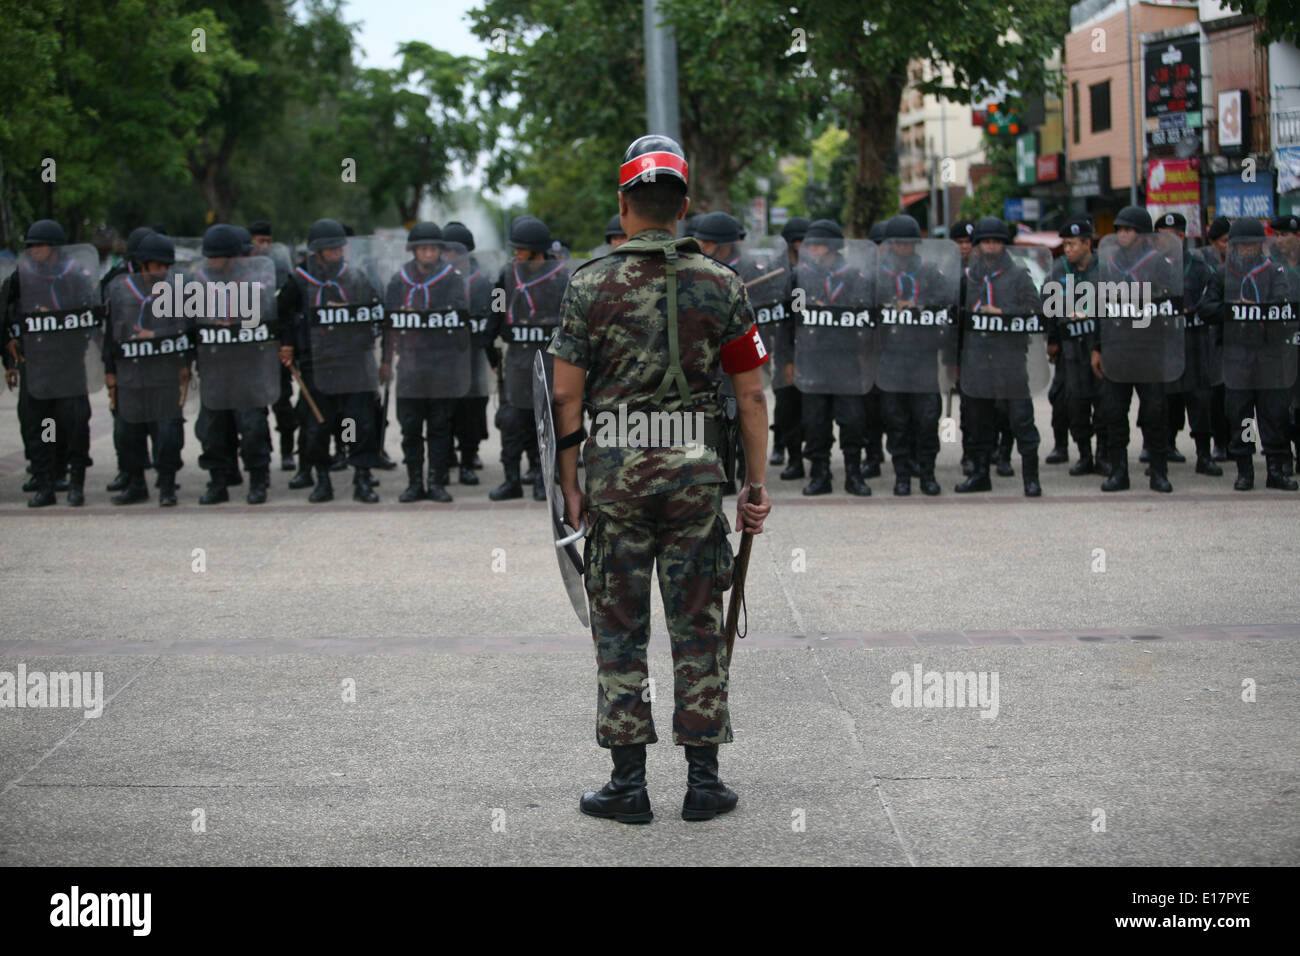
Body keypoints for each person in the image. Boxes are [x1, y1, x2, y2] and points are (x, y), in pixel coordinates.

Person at [549, 134, 771, 824]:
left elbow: (564, 398)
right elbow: (751, 396)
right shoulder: (722, 283)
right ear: (684, 206)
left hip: (614, 486)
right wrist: (755, 488)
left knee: (620, 631)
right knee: (700, 628)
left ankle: (628, 786)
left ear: (623, 204)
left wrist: (570, 483)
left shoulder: (588, 284)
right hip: (696, 484)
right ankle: (703, 784)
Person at [4, 220, 101, 507]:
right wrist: (9, 348)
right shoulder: (20, 278)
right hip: (36, 366)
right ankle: (44, 484)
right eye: (31, 246)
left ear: (55, 248)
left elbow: (91, 313)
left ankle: (76, 483)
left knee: (75, 423)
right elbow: (6, 315)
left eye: (40, 246)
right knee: (38, 426)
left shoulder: (75, 276)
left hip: (68, 363)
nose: (34, 251)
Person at [1199, 217, 1298, 491]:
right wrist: (1233, 309)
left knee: (1274, 414)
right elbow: (1206, 308)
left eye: (1252, 244)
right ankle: (1245, 471)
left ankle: (1276, 470)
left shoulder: (1275, 271)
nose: (1247, 250)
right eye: (1242, 245)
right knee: (1240, 414)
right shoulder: (1221, 274)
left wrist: (1260, 309)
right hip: (1236, 356)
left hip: (1269, 355)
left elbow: (1284, 306)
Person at [102, 232, 189, 506]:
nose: (163, 270)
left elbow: (186, 328)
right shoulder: (119, 289)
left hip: (164, 373)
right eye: (157, 265)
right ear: (143, 264)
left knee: (167, 434)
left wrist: (157, 335)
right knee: (129, 434)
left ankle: (166, 486)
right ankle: (136, 483)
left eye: (166, 266)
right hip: (130, 374)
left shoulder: (177, 290)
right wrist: (110, 370)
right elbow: (111, 335)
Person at [1157, 212, 1220, 477]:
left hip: (1194, 343)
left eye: (1173, 236)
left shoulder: (1199, 265)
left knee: (1199, 401)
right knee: (1162, 403)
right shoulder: (1150, 266)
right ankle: (1162, 452)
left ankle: (1204, 456)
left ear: (1182, 237)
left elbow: (1211, 298)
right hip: (1164, 344)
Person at [1046, 215, 1108, 477]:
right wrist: (1052, 340)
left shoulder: (1105, 269)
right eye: (1065, 244)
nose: (1067, 249)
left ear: (1087, 243)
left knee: (1105, 405)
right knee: (1075, 405)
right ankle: (1084, 454)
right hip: (1070, 350)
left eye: (1072, 244)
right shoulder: (1058, 270)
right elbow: (1047, 307)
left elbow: (1116, 304)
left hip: (1101, 349)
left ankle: (1104, 455)